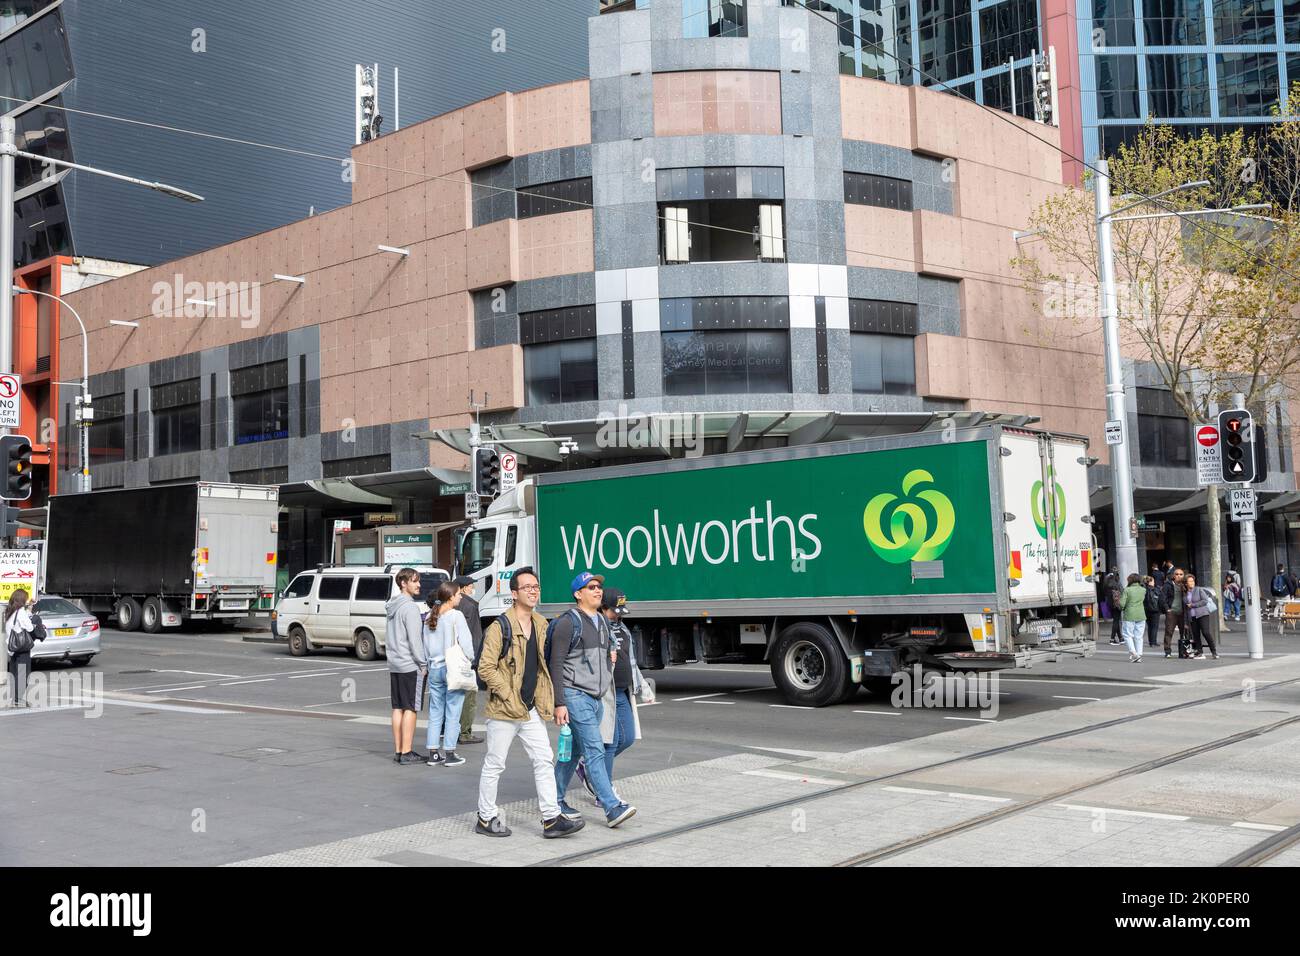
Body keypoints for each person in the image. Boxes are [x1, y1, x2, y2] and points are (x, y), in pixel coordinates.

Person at [474, 567, 581, 839]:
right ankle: (486, 817)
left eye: (536, 587)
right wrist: (509, 694)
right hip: (505, 710)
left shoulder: (542, 624)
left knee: (544, 759)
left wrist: (557, 701)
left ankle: (551, 818)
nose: (534, 591)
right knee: (495, 763)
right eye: (527, 587)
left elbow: (549, 665)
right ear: (514, 593)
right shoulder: (500, 627)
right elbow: (485, 668)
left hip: (531, 708)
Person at [550, 571, 637, 828]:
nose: (598, 591)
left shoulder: (601, 620)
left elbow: (608, 652)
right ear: (578, 594)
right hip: (575, 694)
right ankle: (611, 806)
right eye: (591, 587)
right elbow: (556, 664)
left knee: (574, 752)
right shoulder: (568, 622)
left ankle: (554, 798)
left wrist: (607, 662)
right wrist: (559, 702)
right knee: (595, 749)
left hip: (595, 697)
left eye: (599, 587)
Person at [574, 586, 649, 803]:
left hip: (623, 691)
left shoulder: (621, 628)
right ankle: (603, 791)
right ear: (603, 607)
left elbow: (631, 659)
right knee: (610, 742)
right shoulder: (595, 626)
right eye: (614, 611)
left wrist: (643, 686)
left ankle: (589, 765)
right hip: (605, 691)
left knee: (627, 738)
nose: (618, 615)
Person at [424, 582, 474, 767]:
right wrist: (470, 659)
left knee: (436, 712)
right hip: (452, 669)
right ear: (451, 597)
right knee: (453, 712)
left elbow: (425, 644)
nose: (461, 597)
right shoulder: (456, 616)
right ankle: (450, 753)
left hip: (435, 668)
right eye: (459, 594)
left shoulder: (431, 615)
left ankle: (433, 752)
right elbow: (466, 642)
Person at [385, 568, 428, 764]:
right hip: (410, 664)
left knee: (398, 707)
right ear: (403, 583)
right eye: (414, 581)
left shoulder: (392, 606)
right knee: (411, 707)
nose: (418, 585)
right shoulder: (410, 608)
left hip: (394, 662)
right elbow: (415, 640)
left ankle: (398, 751)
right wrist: (422, 662)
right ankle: (407, 751)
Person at [451, 575, 484, 746]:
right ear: (463, 588)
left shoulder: (452, 604)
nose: (472, 589)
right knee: (469, 696)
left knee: (454, 697)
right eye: (471, 586)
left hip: (453, 657)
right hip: (467, 657)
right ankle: (465, 732)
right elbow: (472, 635)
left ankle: (451, 730)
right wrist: (475, 658)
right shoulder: (469, 606)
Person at [4, 588, 38, 707]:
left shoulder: (9, 611)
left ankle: (15, 699)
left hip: (12, 649)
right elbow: (29, 628)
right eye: (26, 598)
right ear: (22, 599)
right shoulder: (21, 612)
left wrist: (29, 609)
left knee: (15, 674)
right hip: (22, 649)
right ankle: (18, 700)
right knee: (23, 674)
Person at [1184, 573, 1220, 660]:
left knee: (1205, 632)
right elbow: (1185, 608)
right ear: (1186, 583)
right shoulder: (1185, 594)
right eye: (1189, 581)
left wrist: (1193, 605)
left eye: (1192, 581)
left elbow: (1205, 601)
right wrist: (1186, 621)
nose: (1192, 583)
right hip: (1192, 617)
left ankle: (1214, 652)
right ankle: (1200, 653)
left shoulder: (1199, 590)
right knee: (1196, 635)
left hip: (1202, 614)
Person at [1116, 573, 1146, 663]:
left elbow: (1122, 604)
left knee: (1127, 635)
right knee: (1139, 636)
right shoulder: (1143, 590)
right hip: (1141, 614)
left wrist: (1118, 601)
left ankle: (1133, 653)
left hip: (1129, 615)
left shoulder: (1127, 590)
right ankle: (1139, 655)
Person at [1159, 567, 1186, 659]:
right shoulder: (1168, 585)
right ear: (1173, 576)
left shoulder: (1185, 585)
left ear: (1183, 576)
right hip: (1172, 612)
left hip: (1183, 613)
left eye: (1181, 574)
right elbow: (1162, 598)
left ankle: (1184, 651)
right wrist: (1167, 609)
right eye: (1177, 574)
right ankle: (1167, 651)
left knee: (1184, 632)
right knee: (1169, 632)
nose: (1178, 576)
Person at [1103, 571, 1123, 645]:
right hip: (1117, 604)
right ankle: (1112, 639)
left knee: (1116, 620)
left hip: (1110, 604)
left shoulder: (1107, 584)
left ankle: (1121, 638)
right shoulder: (1116, 585)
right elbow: (1122, 592)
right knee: (1116, 621)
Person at [1143, 575, 1162, 649]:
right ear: (1150, 582)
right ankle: (1153, 642)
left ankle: (1151, 641)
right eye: (1153, 581)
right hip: (1155, 610)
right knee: (1155, 626)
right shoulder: (1155, 589)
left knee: (1150, 626)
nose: (1154, 582)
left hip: (1146, 610)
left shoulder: (1144, 589)